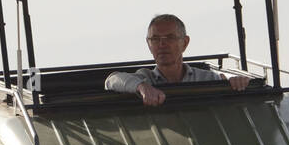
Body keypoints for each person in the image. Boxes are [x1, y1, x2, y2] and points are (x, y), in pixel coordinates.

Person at [104, 14, 250, 106]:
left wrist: (236, 81)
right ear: (148, 44)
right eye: (155, 39)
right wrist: (142, 88)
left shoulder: (206, 78)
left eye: (170, 38)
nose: (162, 44)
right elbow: (112, 80)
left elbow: (228, 82)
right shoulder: (144, 78)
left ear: (185, 42)